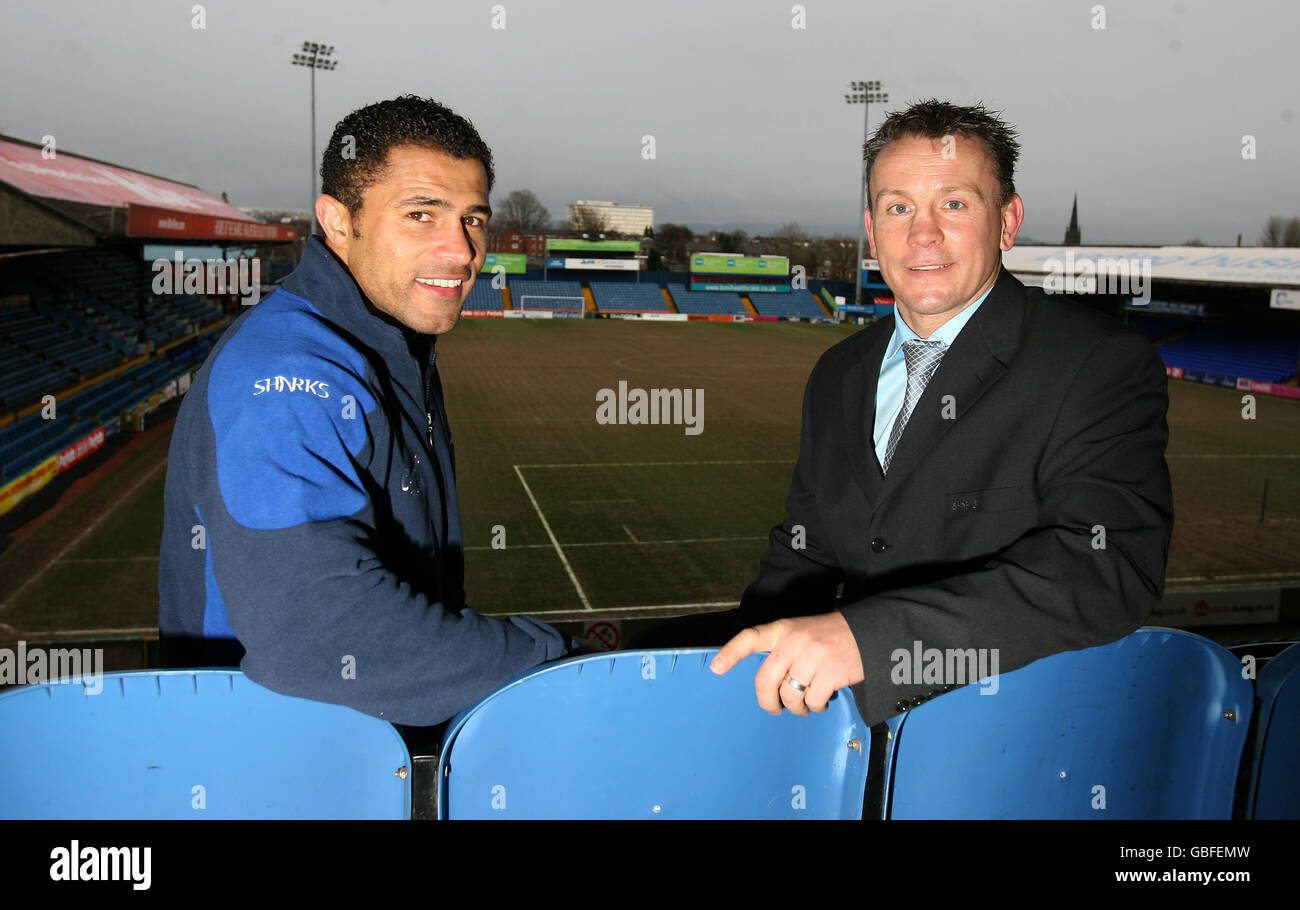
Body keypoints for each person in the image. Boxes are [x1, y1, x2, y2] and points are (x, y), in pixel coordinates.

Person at [705, 99, 1174, 725]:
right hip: (841, 739)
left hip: (1005, 744)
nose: (922, 235)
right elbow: (808, 550)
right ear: (871, 230)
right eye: (898, 207)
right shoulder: (838, 373)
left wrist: (869, 640)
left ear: (1008, 222)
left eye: (954, 203)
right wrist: (750, 669)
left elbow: (1107, 566)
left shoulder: (1097, 363)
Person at [158, 96, 577, 725]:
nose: (462, 252)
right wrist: (554, 661)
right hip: (262, 759)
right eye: (421, 215)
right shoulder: (290, 373)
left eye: (473, 219)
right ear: (336, 221)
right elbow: (317, 635)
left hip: (357, 743)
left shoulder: (392, 343)